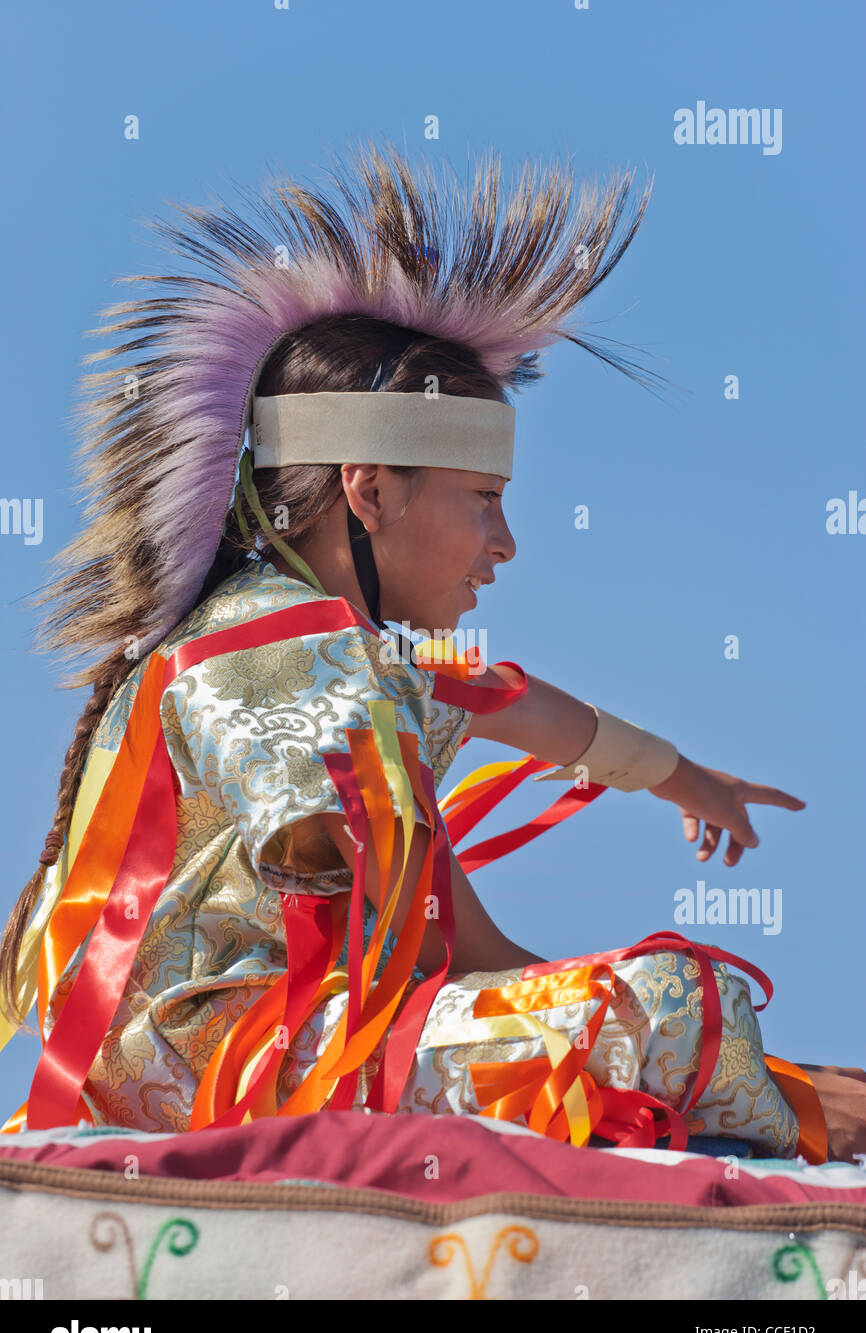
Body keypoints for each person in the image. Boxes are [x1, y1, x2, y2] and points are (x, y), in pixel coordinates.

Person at [0, 140, 862, 1159]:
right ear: (367, 490)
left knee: (663, 1008)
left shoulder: (314, 650)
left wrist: (684, 783)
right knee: (673, 997)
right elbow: (423, 912)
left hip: (280, 1047)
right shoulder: (282, 652)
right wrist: (723, 1062)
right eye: (485, 502)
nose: (504, 544)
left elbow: (509, 721)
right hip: (243, 1069)